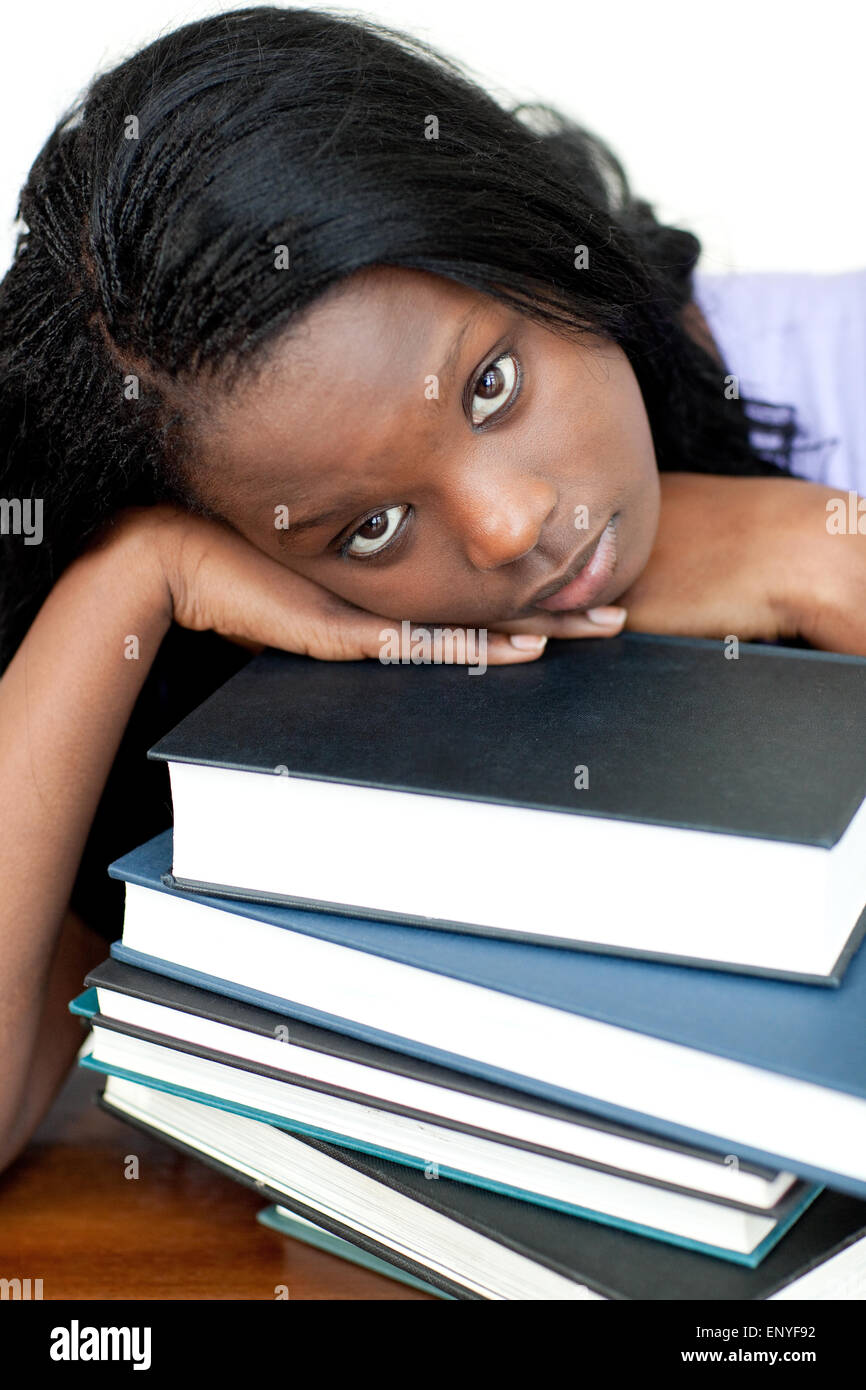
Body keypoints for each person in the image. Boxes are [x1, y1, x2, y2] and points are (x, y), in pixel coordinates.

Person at [0, 6, 863, 1175]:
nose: (509, 526)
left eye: (492, 383)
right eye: (369, 526)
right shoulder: (198, 696)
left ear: (522, 232)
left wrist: (810, 543)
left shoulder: (823, 371)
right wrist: (126, 579)